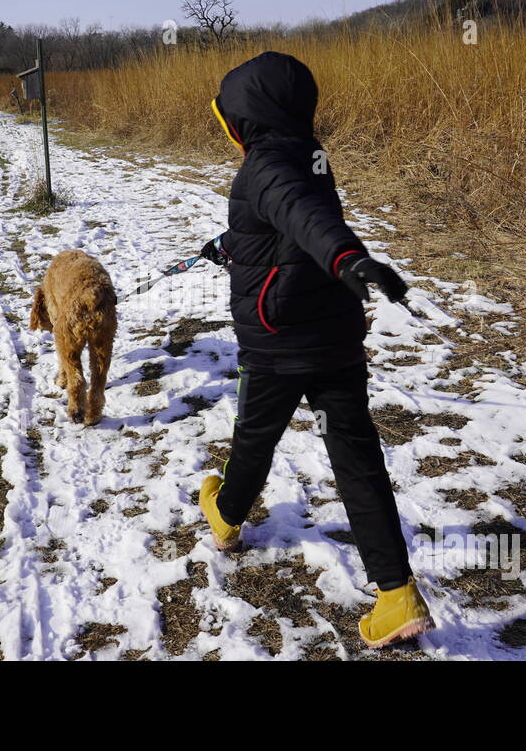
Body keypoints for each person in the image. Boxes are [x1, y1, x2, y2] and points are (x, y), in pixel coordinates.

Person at [197, 51, 434, 648]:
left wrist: (348, 257)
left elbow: (301, 217)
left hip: (277, 345)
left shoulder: (263, 166)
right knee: (357, 461)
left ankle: (225, 519)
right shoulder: (309, 157)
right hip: (332, 339)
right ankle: (396, 594)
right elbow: (289, 222)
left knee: (254, 441)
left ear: (244, 119)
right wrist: (230, 245)